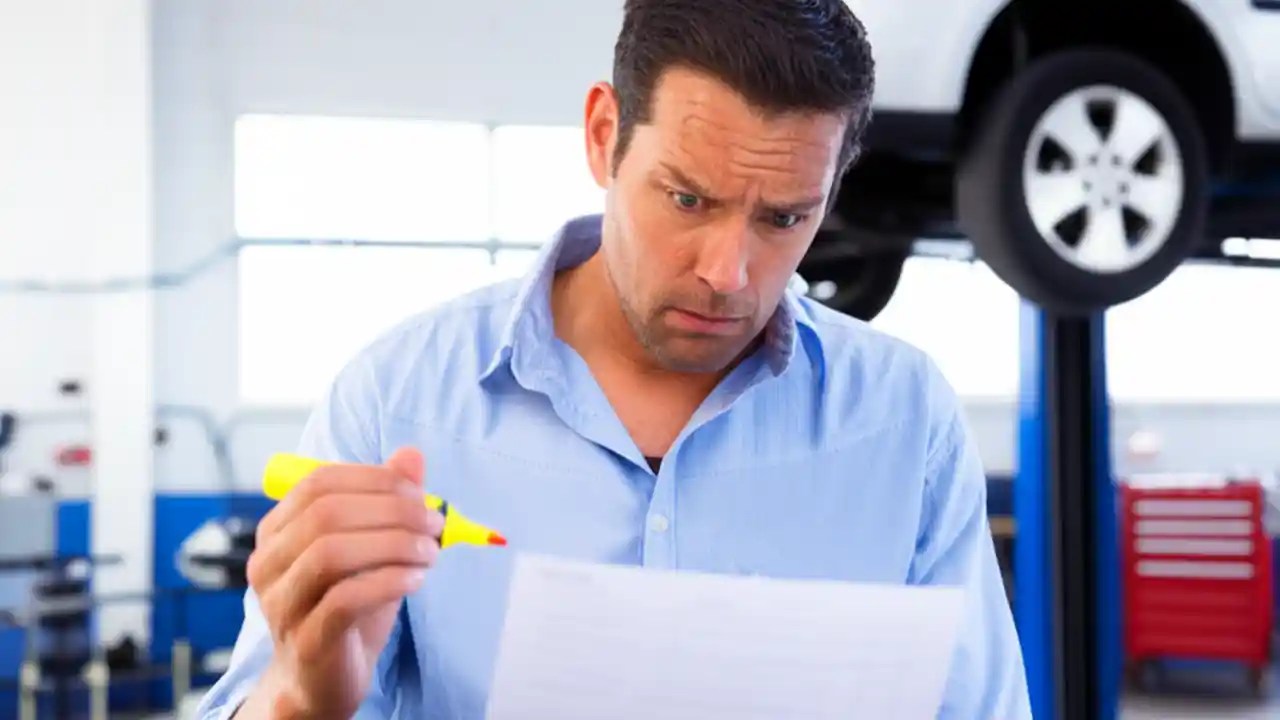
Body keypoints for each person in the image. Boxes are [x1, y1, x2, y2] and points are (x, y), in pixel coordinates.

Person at [198, 0, 1031, 717]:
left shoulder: (903, 420)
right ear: (604, 136)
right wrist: (304, 695)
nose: (727, 273)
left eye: (782, 219)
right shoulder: (394, 402)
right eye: (687, 199)